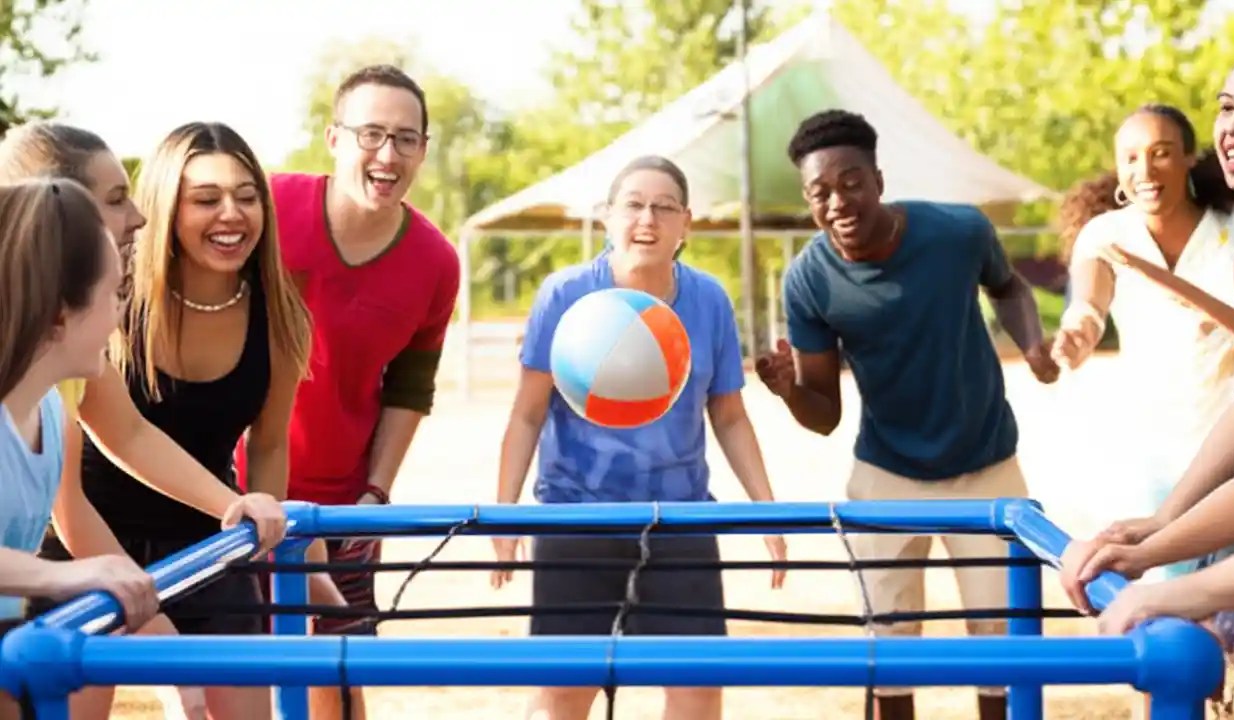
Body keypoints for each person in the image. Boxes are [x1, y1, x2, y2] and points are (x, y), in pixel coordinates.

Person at [755, 109, 1059, 720]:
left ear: (878, 180)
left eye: (851, 183)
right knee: (888, 648)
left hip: (985, 465)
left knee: (1002, 643)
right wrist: (789, 391)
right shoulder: (810, 279)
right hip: (887, 473)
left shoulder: (958, 231)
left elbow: (1008, 286)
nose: (837, 202)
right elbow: (824, 414)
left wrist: (1032, 345)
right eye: (819, 192)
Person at [0, 121, 300, 719]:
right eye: (116, 200)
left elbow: (131, 433)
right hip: (73, 571)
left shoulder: (58, 394)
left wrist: (234, 505)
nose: (136, 216)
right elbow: (72, 508)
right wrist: (73, 582)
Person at [491, 155, 786, 720]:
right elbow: (527, 413)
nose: (647, 219)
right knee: (562, 693)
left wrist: (768, 512)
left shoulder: (709, 301)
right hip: (576, 519)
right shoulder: (564, 294)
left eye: (663, 207)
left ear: (685, 224)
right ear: (607, 216)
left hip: (680, 521)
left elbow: (729, 415)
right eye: (633, 205)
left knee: (698, 690)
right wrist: (505, 516)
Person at [1061, 41, 1234, 714]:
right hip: (1176, 449)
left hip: (1212, 444)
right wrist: (1157, 530)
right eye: (1227, 107)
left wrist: (1166, 590)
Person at [251, 64, 460, 720]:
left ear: (423, 150)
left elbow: (411, 387)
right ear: (334, 138)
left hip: (343, 506)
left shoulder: (436, 262)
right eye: (371, 133)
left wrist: (374, 496)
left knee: (339, 679)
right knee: (228, 679)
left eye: (405, 139)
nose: (387, 154)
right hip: (231, 494)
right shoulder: (267, 207)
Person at [1052, 105, 1234, 577]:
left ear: (1188, 158)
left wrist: (1167, 281)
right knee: (1166, 596)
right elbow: (1088, 304)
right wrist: (1076, 333)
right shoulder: (1106, 233)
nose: (1145, 169)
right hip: (1155, 456)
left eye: (1161, 153)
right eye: (1131, 157)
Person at [0, 178, 160, 720]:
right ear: (59, 313)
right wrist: (63, 575)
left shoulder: (50, 413)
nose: (120, 316)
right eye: (114, 294)